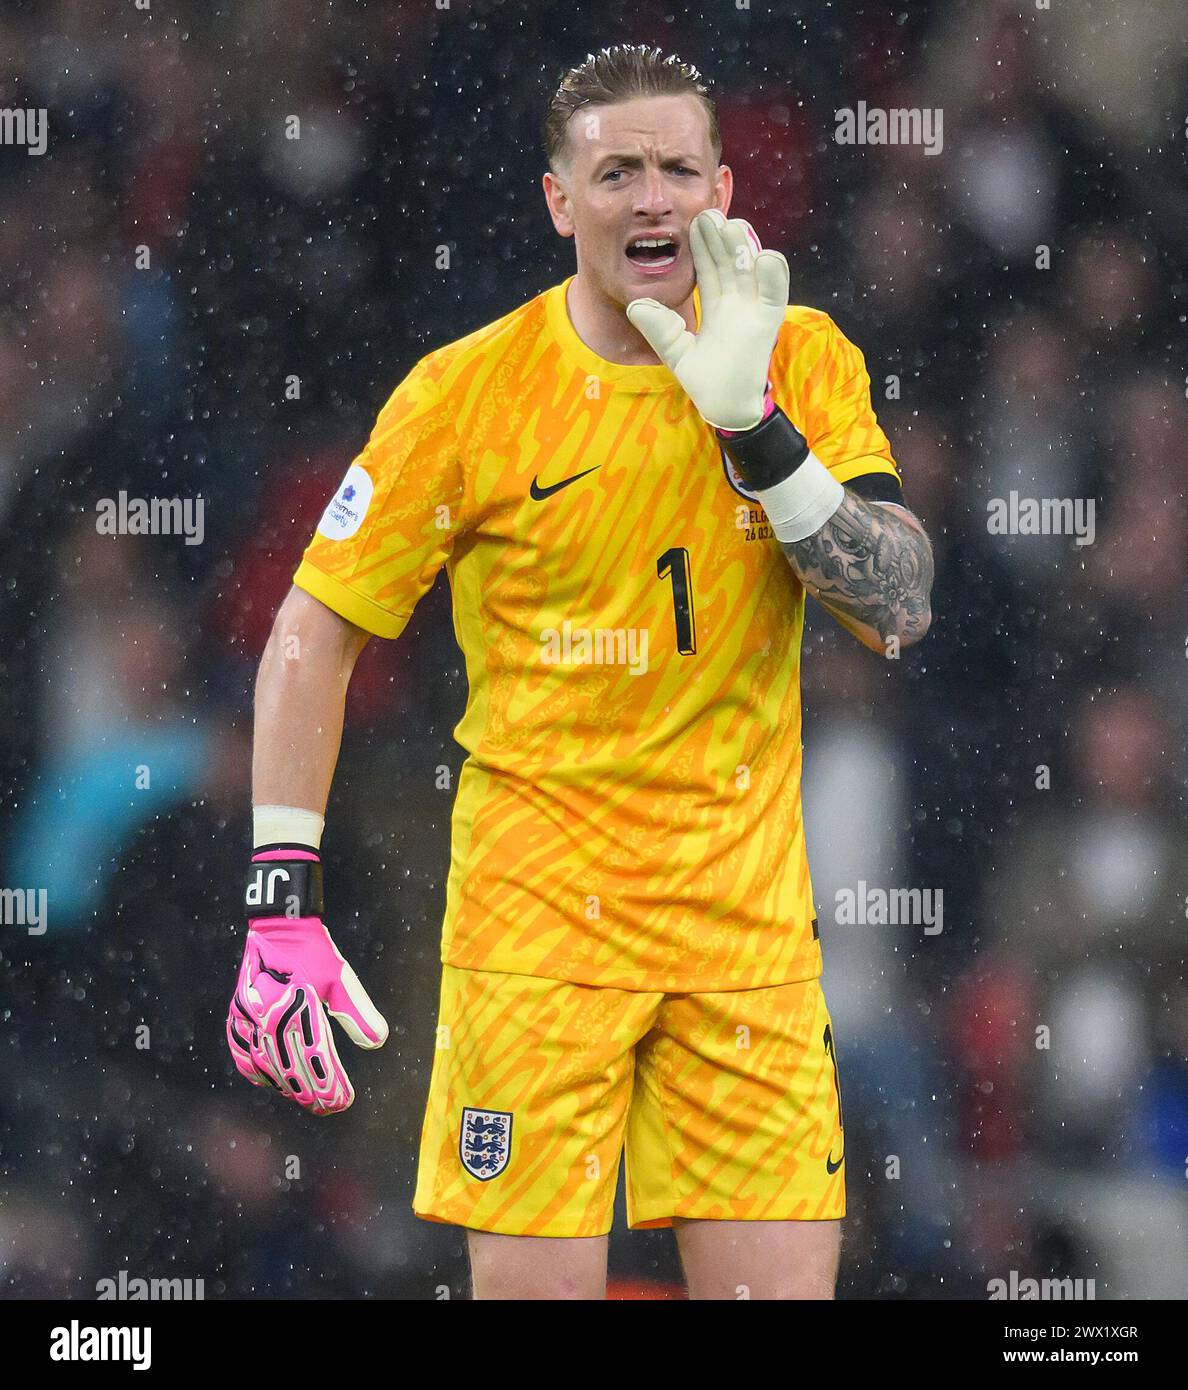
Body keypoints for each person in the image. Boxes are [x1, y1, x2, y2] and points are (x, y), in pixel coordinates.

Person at [226, 43, 933, 1301]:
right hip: (537, 938)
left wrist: (755, 434)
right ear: (560, 202)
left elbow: (901, 607)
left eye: (676, 169)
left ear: (722, 188)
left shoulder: (802, 358)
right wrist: (283, 892)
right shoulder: (465, 394)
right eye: (616, 173)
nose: (651, 199)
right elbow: (311, 629)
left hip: (746, 941)